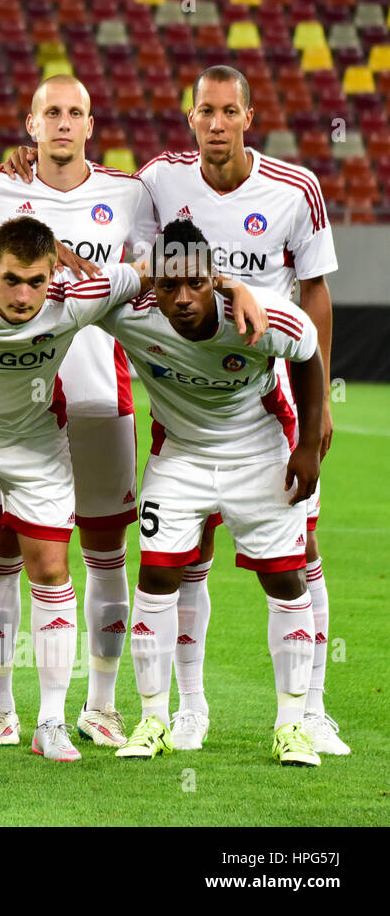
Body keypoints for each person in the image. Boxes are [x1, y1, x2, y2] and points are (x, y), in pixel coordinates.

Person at [0, 216, 265, 761]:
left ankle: (52, 722)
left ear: (53, 273)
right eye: (11, 279)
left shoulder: (79, 295)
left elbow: (160, 267)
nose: (24, 295)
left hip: (35, 439)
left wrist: (234, 285)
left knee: (53, 571)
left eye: (37, 282)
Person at [0, 75, 155, 749]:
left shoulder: (130, 194)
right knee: (1, 546)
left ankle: (99, 705)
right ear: (31, 123)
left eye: (76, 112)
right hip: (8, 403)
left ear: (91, 123)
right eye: (52, 112)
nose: (64, 123)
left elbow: (165, 261)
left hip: (101, 393)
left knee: (104, 552)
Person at [136, 66, 345, 755]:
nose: (217, 123)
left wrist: (317, 415)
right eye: (205, 111)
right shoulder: (160, 181)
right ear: (190, 118)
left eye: (229, 111)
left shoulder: (294, 189)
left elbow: (312, 294)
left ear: (249, 116)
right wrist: (224, 281)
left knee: (299, 550)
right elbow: (148, 266)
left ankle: (310, 710)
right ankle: (187, 709)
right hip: (188, 393)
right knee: (182, 557)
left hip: (269, 383)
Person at [102, 220, 324, 766]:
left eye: (194, 284)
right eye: (169, 286)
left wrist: (309, 445)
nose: (182, 299)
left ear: (213, 279)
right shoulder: (131, 314)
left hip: (259, 451)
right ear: (151, 283)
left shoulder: (260, 314)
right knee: (156, 576)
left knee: (285, 577)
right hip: (180, 455)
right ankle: (154, 718)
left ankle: (292, 725)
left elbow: (310, 355)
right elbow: (64, 282)